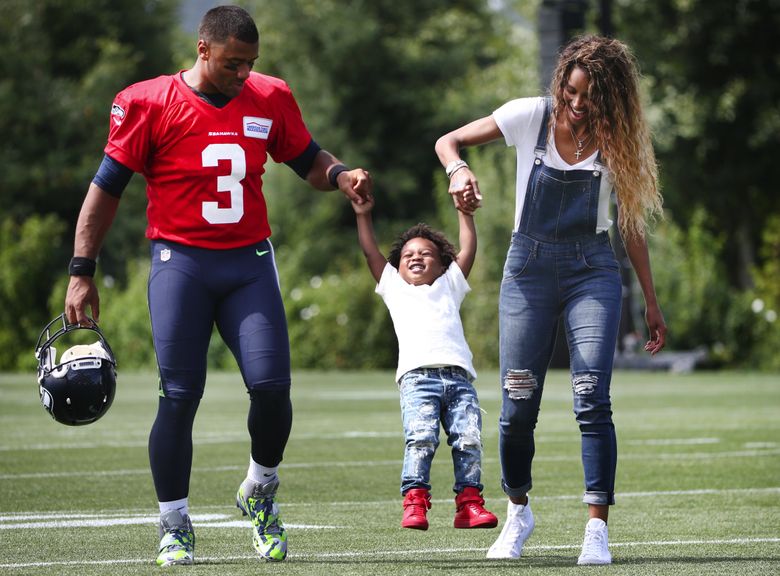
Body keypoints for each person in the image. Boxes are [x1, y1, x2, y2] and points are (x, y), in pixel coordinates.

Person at [64, 5, 371, 566]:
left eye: (251, 63)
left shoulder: (269, 95)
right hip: (180, 261)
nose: (242, 74)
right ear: (203, 49)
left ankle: (259, 488)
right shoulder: (149, 101)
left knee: (273, 389)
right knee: (180, 397)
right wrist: (82, 271)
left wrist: (340, 175)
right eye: (233, 62)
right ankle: (175, 524)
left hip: (249, 261)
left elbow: (305, 159)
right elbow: (105, 191)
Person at [435, 35, 667, 565]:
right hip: (528, 271)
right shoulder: (530, 116)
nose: (577, 105)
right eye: (571, 92)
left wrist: (651, 302)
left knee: (591, 395)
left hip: (593, 271)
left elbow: (631, 229)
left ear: (610, 99)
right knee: (517, 406)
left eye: (590, 97)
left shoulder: (618, 141)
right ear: (560, 83)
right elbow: (448, 141)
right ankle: (518, 512)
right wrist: (459, 170)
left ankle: (596, 529)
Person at [351, 193, 497, 531]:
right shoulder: (394, 287)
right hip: (418, 380)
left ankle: (470, 504)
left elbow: (468, 248)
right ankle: (415, 502)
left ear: (443, 263)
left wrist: (465, 214)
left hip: (459, 379)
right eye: (408, 255)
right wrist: (362, 215)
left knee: (469, 438)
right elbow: (370, 251)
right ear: (398, 266)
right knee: (421, 438)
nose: (416, 257)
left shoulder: (450, 285)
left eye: (425, 253)